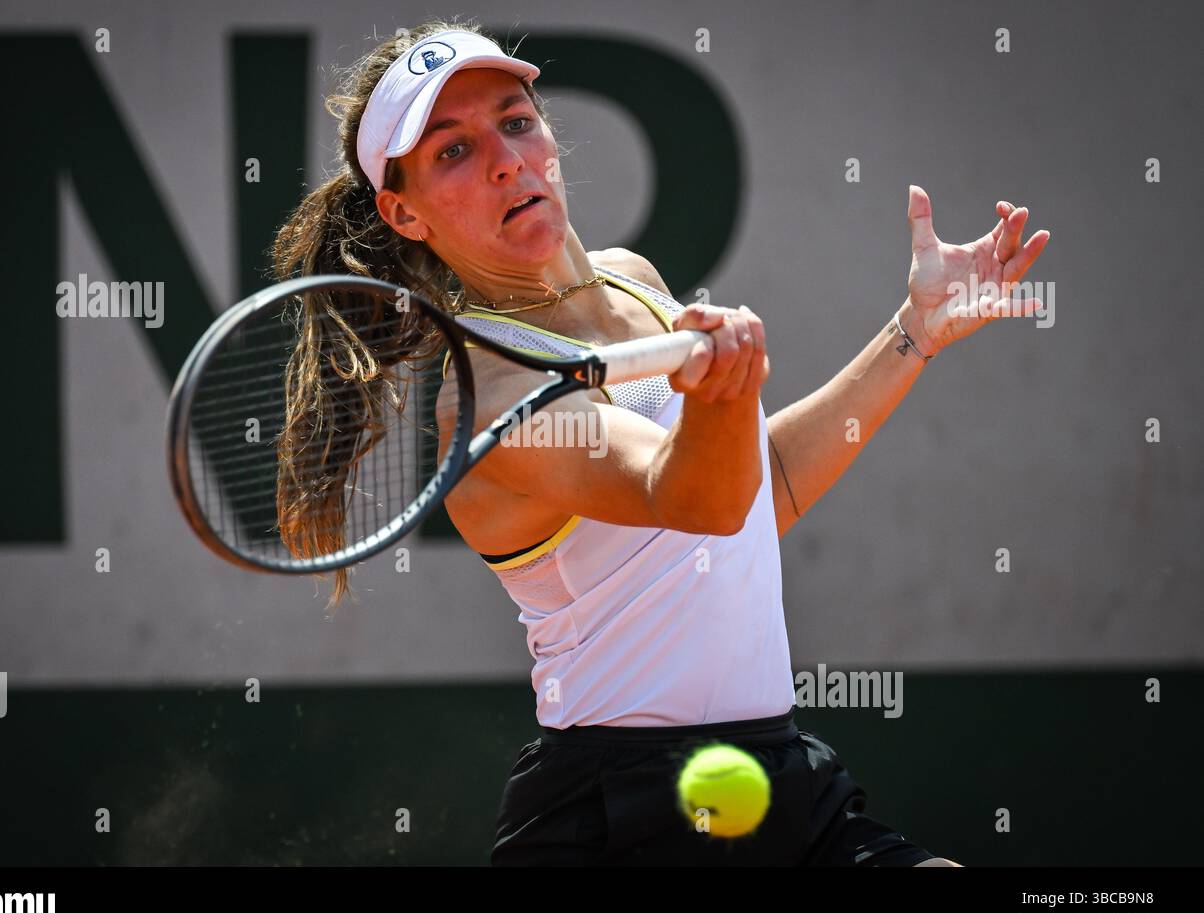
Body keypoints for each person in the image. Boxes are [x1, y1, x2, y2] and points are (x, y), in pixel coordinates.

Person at [272, 18, 1049, 866]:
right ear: (404, 212)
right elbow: (698, 502)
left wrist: (916, 332)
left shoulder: (631, 279)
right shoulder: (495, 397)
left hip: (782, 782)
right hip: (620, 818)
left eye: (515, 120)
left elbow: (763, 490)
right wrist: (723, 400)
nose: (505, 159)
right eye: (452, 152)